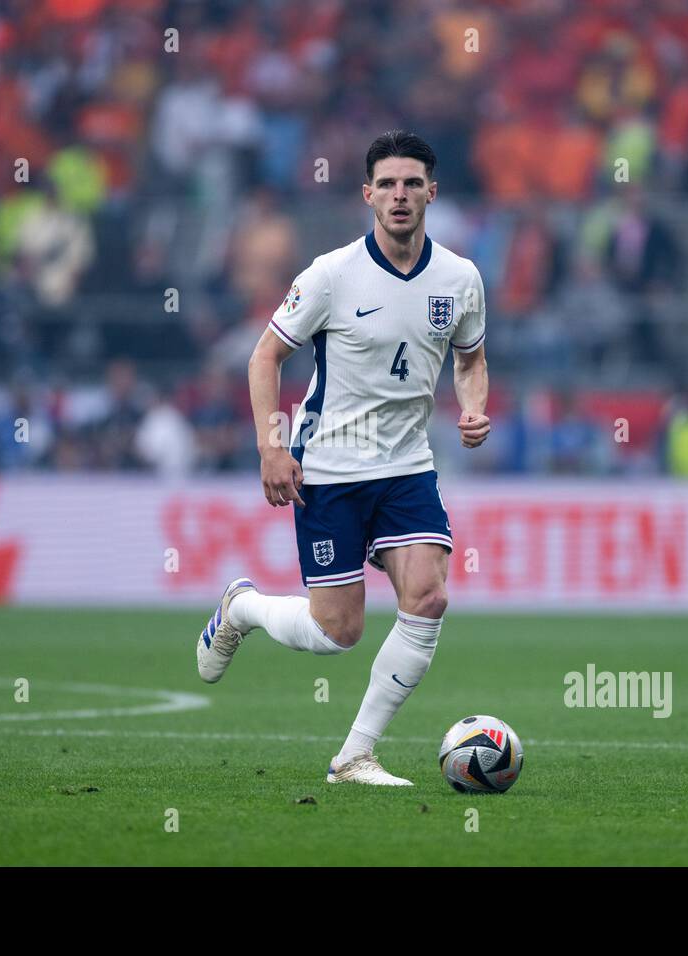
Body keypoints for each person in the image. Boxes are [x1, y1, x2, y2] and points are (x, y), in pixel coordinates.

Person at [195, 131, 490, 786]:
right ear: (367, 195)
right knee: (338, 632)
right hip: (331, 464)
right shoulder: (331, 275)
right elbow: (265, 357)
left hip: (408, 466)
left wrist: (473, 407)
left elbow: (470, 359)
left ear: (432, 192)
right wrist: (271, 446)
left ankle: (354, 756)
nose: (399, 195)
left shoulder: (461, 278)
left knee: (429, 596)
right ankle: (243, 608)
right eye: (387, 184)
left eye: (411, 183)